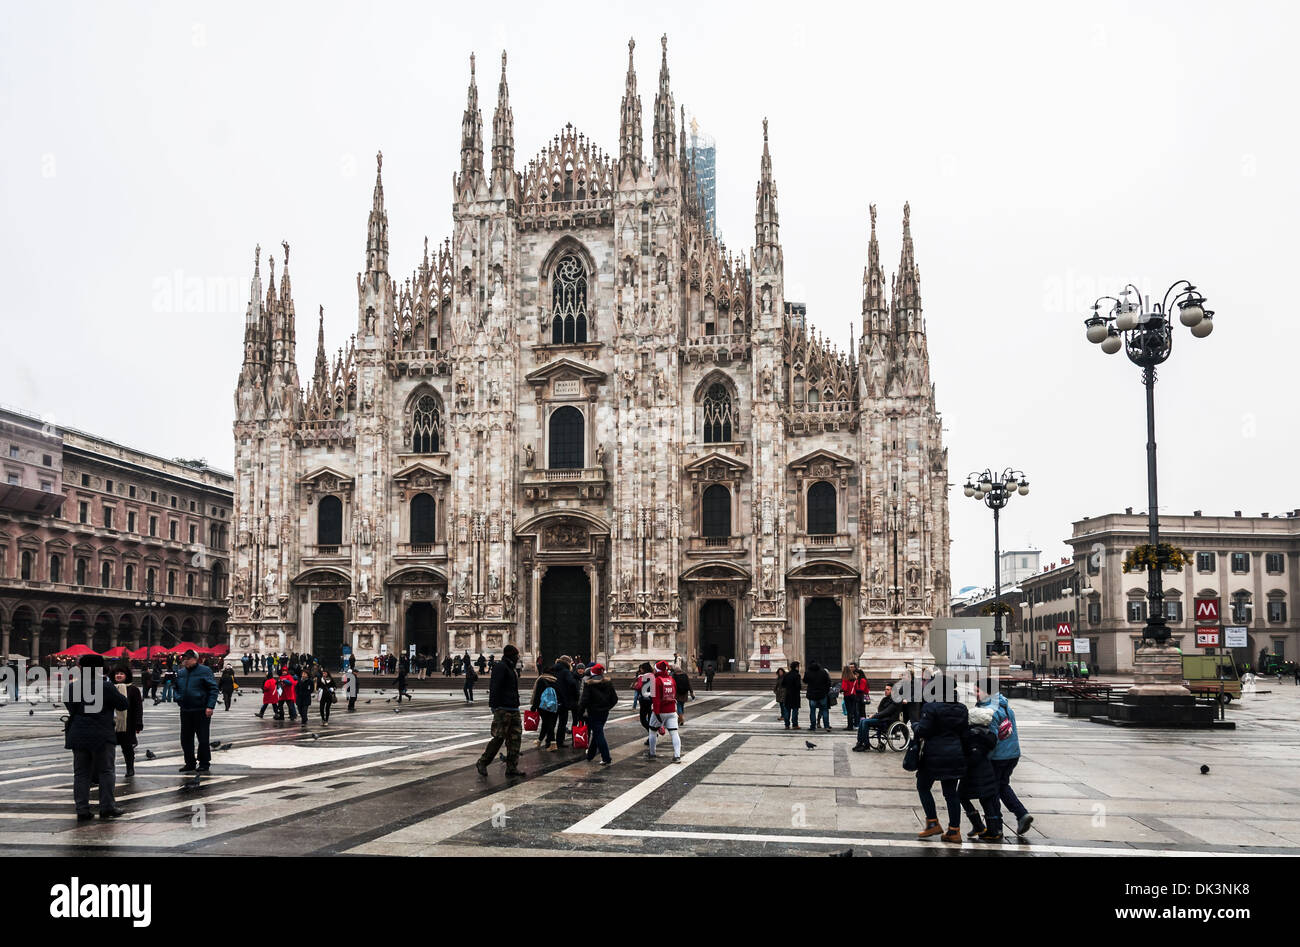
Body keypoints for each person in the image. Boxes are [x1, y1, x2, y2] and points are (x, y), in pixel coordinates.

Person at [66, 654, 130, 820]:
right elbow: (123, 704)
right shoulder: (106, 686)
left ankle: (82, 809)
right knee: (106, 771)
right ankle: (107, 807)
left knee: (81, 774)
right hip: (102, 735)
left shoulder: (73, 687)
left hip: (79, 734)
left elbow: (71, 707)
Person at [912, 674, 970, 844]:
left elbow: (923, 731)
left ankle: (932, 822)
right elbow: (965, 735)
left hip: (933, 756)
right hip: (955, 755)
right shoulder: (961, 708)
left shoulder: (931, 708)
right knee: (951, 793)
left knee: (923, 786)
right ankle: (954, 831)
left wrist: (915, 725)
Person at [979, 681, 1033, 836]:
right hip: (1012, 753)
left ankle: (996, 826)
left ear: (986, 692)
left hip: (998, 756)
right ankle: (1022, 814)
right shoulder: (1005, 705)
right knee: (1002, 786)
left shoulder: (989, 710)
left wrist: (984, 759)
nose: (976, 693)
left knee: (992, 790)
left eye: (978, 690)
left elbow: (992, 739)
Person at [475, 644, 524, 777]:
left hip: (513, 708)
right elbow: (495, 687)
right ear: (511, 655)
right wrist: (494, 706)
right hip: (503, 708)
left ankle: (512, 767)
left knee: (515, 738)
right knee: (499, 738)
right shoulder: (501, 667)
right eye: (516, 655)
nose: (518, 658)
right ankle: (483, 762)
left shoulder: (511, 668)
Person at [959, 700, 1003, 841]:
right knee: (987, 800)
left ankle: (978, 824)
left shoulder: (971, 736)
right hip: (987, 770)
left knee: (962, 796)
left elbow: (973, 756)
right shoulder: (989, 735)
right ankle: (993, 829)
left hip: (972, 773)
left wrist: (964, 763)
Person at [175, 649, 219, 774]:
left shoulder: (205, 671)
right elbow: (176, 687)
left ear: (195, 659)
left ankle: (204, 762)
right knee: (185, 738)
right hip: (186, 709)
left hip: (201, 709)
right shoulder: (181, 672)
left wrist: (210, 706)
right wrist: (178, 698)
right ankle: (190, 762)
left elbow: (213, 689)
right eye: (184, 659)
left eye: (188, 658)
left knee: (203, 738)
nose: (185, 661)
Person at [579, 663, 618, 765]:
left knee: (598, 733)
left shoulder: (589, 684)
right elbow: (614, 699)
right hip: (604, 713)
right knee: (597, 732)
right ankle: (590, 755)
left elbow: (584, 700)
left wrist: (581, 712)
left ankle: (606, 757)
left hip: (593, 712)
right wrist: (607, 708)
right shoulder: (608, 683)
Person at [112, 663, 144, 777]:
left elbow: (138, 707)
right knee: (109, 748)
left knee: (127, 747)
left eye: (121, 673)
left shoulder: (133, 689)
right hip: (112, 723)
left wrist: (138, 723)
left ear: (126, 675)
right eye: (117, 674)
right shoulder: (109, 687)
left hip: (128, 724)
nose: (119, 676)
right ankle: (109, 770)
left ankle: (130, 768)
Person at [647, 661, 682, 763]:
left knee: (652, 731)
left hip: (660, 711)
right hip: (671, 710)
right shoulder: (671, 679)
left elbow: (655, 699)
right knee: (674, 733)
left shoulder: (655, 680)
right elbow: (674, 694)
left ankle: (652, 753)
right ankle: (677, 756)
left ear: (657, 669)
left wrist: (657, 714)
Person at [853, 683, 904, 751]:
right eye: (885, 689)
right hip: (882, 718)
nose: (885, 691)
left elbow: (887, 712)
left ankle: (866, 745)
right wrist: (877, 715)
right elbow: (880, 710)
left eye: (887, 690)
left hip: (888, 721)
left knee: (865, 722)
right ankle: (860, 742)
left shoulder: (896, 700)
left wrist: (874, 716)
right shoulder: (885, 699)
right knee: (862, 720)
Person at [551, 656, 581, 749]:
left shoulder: (552, 670)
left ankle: (550, 741)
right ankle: (559, 742)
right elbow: (572, 684)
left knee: (551, 722)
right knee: (562, 722)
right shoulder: (566, 671)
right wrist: (575, 695)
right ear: (567, 662)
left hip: (552, 699)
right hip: (563, 700)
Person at [530, 664, 560, 749]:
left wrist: (534, 706)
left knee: (547, 723)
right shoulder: (555, 680)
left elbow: (537, 694)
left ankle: (553, 743)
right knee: (546, 723)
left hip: (542, 706)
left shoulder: (541, 680)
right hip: (553, 705)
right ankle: (539, 741)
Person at [805, 661, 831, 731]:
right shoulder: (823, 672)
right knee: (825, 710)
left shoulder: (808, 672)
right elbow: (828, 682)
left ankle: (813, 726)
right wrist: (826, 690)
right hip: (822, 694)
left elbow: (805, 681)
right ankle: (826, 726)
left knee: (812, 711)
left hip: (812, 695)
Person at [635, 662, 655, 741]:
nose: (640, 670)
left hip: (644, 700)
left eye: (641, 668)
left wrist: (635, 686)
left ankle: (652, 733)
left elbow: (640, 687)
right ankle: (651, 736)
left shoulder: (644, 676)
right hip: (652, 699)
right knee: (650, 718)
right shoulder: (653, 675)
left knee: (643, 719)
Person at [780, 662, 802, 730]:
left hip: (788, 695)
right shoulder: (797, 675)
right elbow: (798, 686)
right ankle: (795, 724)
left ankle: (787, 725)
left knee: (787, 710)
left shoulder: (787, 675)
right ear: (796, 667)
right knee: (795, 710)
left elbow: (783, 684)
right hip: (795, 695)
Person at [840, 665, 857, 730]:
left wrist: (841, 690)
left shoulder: (845, 679)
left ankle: (849, 726)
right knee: (852, 711)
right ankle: (852, 725)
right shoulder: (853, 679)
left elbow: (845, 688)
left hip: (848, 696)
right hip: (854, 695)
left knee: (849, 711)